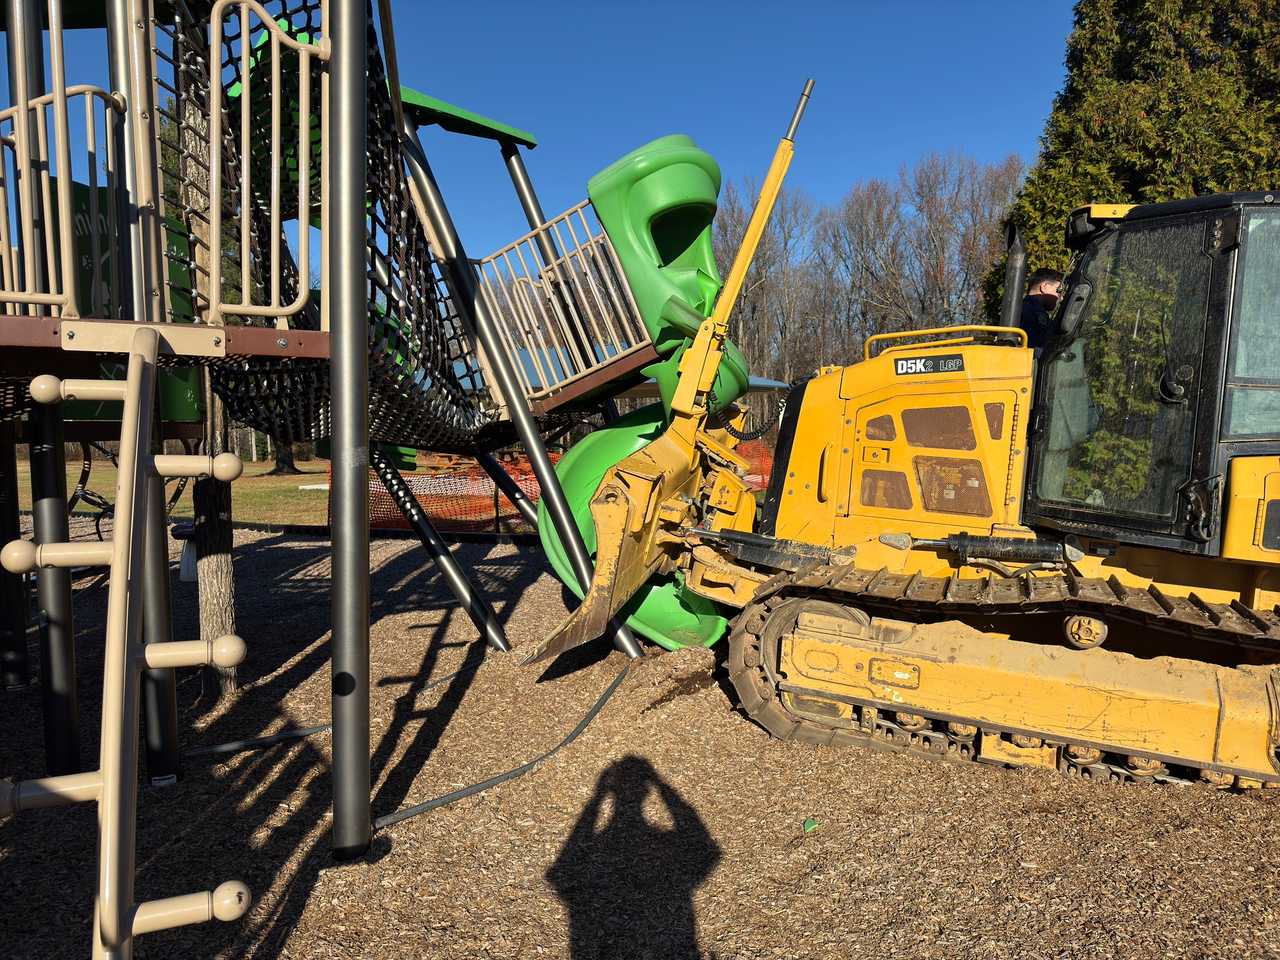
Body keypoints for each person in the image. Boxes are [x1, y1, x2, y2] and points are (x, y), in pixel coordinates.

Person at [1019, 267, 1064, 351]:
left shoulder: (1024, 307)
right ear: (1044, 287)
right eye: (1059, 291)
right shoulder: (1034, 312)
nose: (1061, 298)